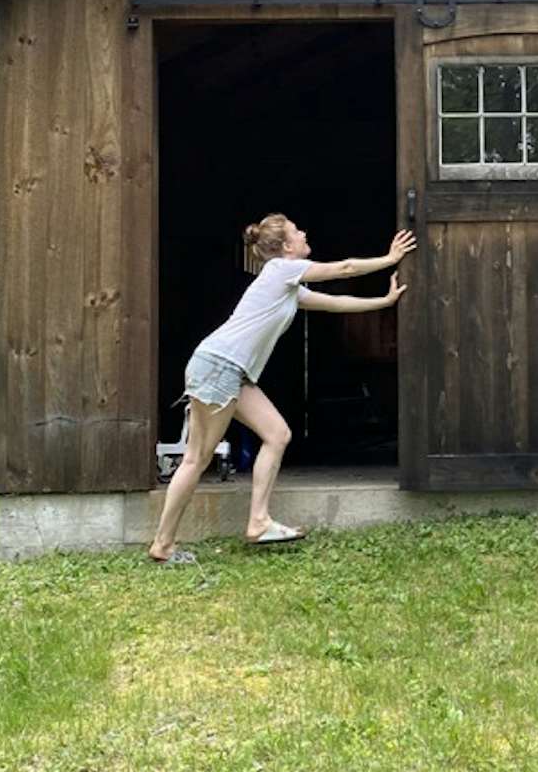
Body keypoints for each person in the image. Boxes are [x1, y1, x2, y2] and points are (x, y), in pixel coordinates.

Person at [147, 216, 417, 564]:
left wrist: (384, 301)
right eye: (297, 231)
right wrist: (389, 259)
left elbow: (334, 304)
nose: (304, 233)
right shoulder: (278, 271)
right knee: (196, 458)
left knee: (277, 434)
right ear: (287, 247)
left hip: (231, 371)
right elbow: (345, 268)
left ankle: (258, 522)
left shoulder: (287, 288)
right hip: (218, 366)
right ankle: (163, 545)